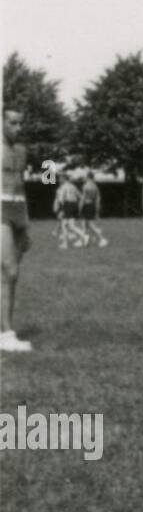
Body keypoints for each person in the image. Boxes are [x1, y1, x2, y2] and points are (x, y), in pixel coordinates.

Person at [1, 108, 33, 352]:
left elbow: (23, 185)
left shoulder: (22, 150)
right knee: (8, 271)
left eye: (20, 123)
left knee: (13, 274)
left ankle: (6, 331)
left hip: (18, 209)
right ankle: (7, 334)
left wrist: (26, 223)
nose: (18, 128)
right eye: (12, 123)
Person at [79, 172, 108, 247]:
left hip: (86, 205)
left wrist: (80, 207)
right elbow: (98, 199)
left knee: (89, 224)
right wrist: (97, 209)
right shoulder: (95, 187)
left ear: (88, 177)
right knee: (85, 223)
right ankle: (84, 240)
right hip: (92, 205)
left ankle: (102, 239)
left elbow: (83, 198)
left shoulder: (85, 186)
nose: (85, 178)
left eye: (86, 177)